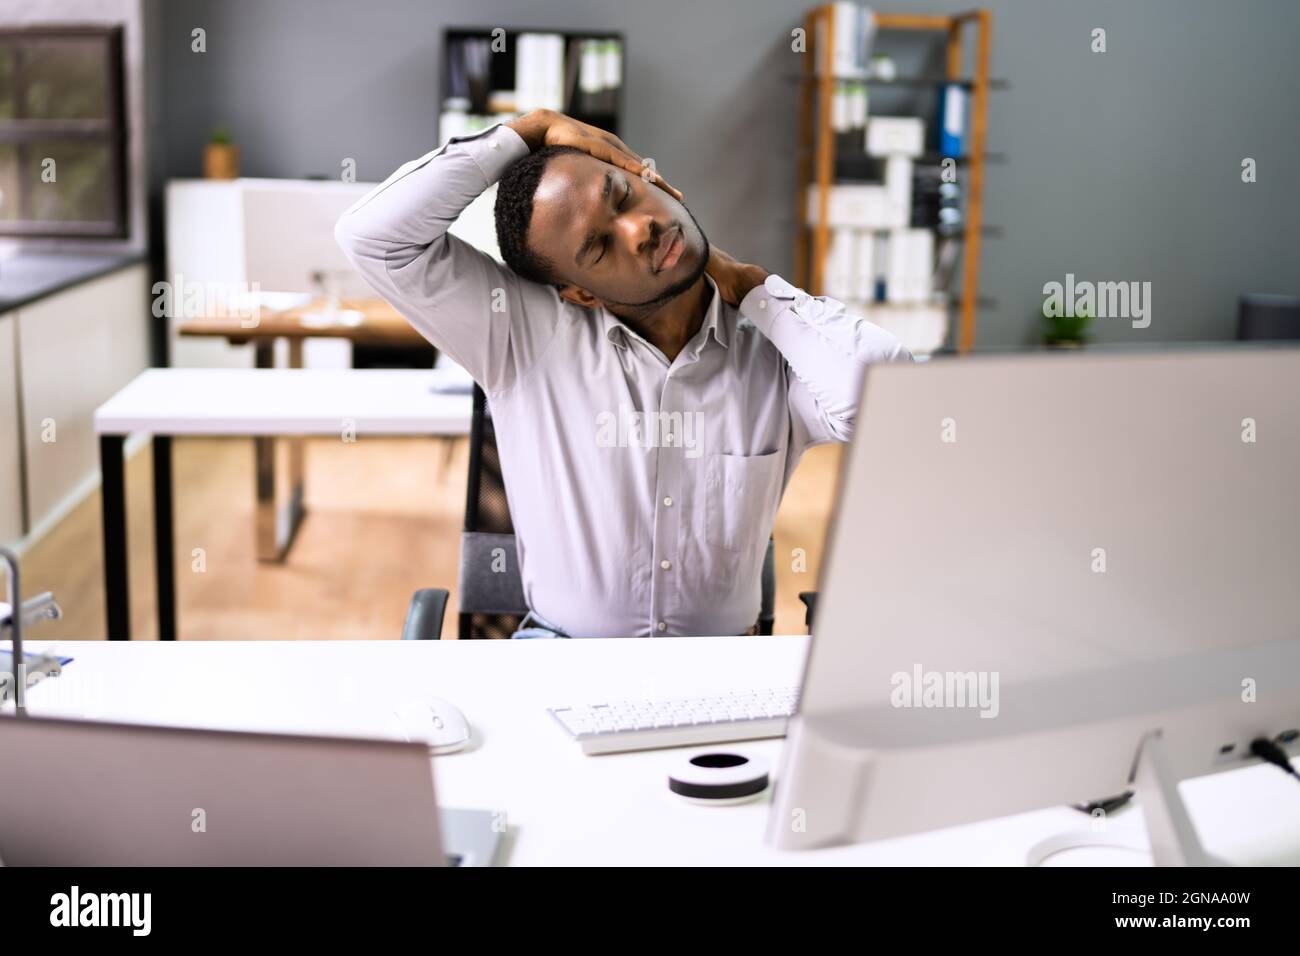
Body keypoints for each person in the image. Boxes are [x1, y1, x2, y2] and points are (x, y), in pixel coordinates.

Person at [336, 109, 910, 638]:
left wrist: (749, 285)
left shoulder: (772, 349)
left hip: (723, 666)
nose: (640, 230)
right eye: (599, 246)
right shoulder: (520, 336)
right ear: (580, 292)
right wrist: (529, 130)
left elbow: (890, 404)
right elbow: (373, 237)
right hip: (562, 657)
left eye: (624, 195)